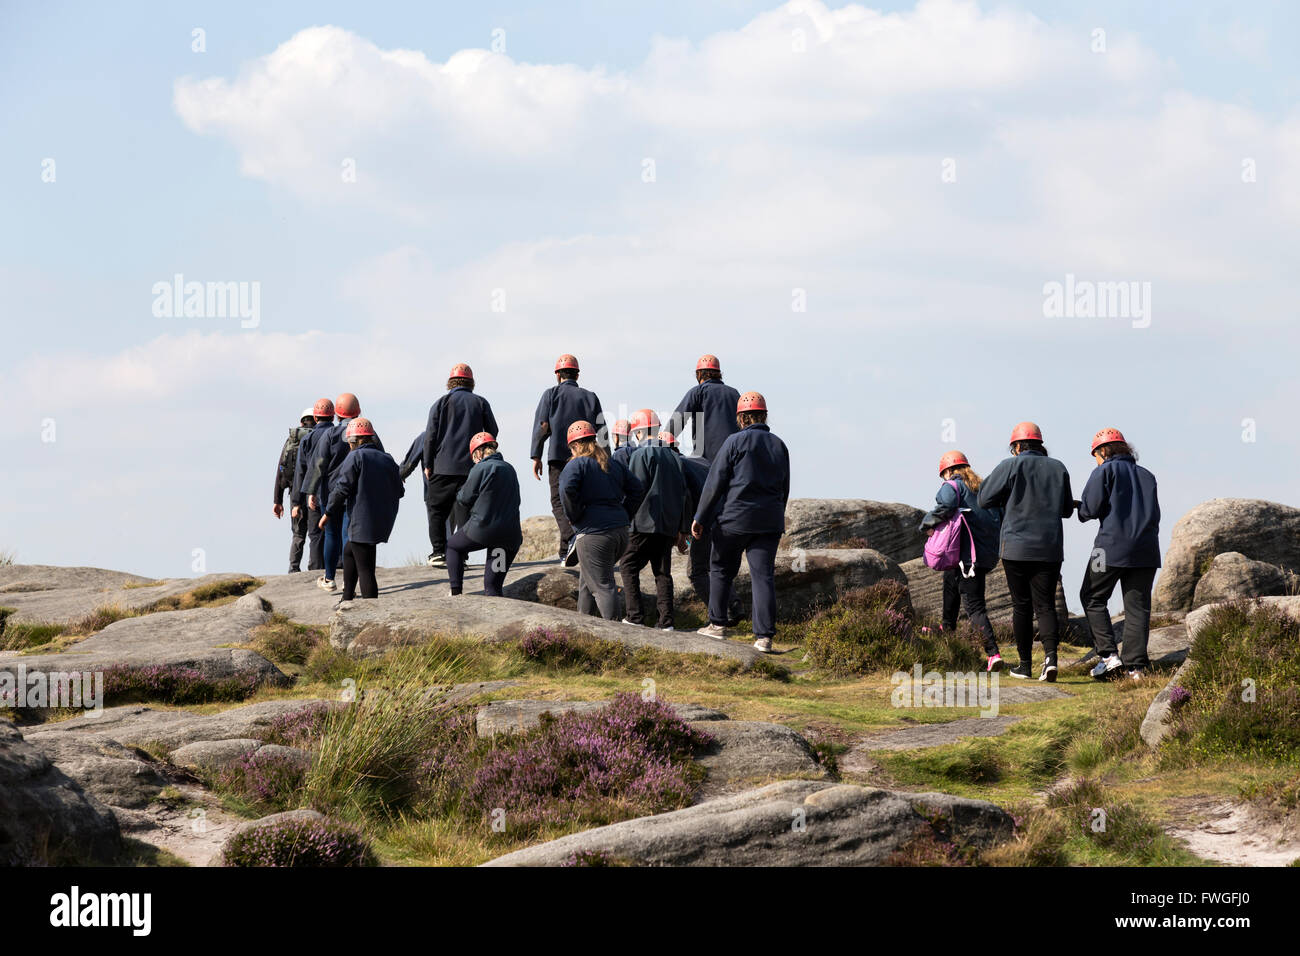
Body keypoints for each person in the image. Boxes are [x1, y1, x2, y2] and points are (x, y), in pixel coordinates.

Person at [691, 391, 790, 653]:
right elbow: (784, 487)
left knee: (721, 569)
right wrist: (776, 514)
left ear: (741, 418)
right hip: (769, 522)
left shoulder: (734, 442)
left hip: (735, 520)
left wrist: (700, 517)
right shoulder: (779, 445)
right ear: (764, 415)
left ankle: (717, 624)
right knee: (763, 576)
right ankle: (764, 638)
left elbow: (715, 482)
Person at [977, 422, 1074, 682]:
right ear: (1040, 445)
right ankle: (1051, 660)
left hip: (1016, 548)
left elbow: (984, 499)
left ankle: (1024, 665)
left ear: (1017, 446)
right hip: (1049, 548)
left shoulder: (1010, 466)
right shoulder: (1058, 467)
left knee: (1021, 606)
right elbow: (1066, 510)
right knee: (1045, 606)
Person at [1077, 428, 1161, 681]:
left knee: (1092, 596)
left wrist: (1079, 510)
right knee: (1137, 608)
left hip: (1108, 549)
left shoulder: (1104, 470)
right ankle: (1136, 669)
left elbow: (1089, 509)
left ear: (1103, 451)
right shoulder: (1148, 476)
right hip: (1146, 550)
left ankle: (1109, 657)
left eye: (1096, 455)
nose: (1096, 460)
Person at [920, 451, 1004, 672]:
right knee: (950, 581)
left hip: (968, 559)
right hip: (985, 555)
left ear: (948, 471)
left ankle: (992, 653)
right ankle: (947, 628)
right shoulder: (984, 488)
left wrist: (926, 523)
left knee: (975, 607)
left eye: (944, 475)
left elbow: (945, 506)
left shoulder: (952, 487)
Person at [559, 420, 645, 619]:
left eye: (571, 448)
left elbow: (565, 489)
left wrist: (575, 516)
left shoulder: (576, 464)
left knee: (602, 586)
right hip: (621, 533)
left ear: (576, 445)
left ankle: (615, 638)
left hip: (594, 534)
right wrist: (624, 514)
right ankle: (585, 625)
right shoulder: (612, 463)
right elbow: (637, 489)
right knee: (588, 581)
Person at [422, 363, 499, 569]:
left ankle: (439, 553)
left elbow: (429, 437)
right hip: (472, 467)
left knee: (437, 510)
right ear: (471, 382)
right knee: (467, 511)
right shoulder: (480, 402)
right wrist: (482, 454)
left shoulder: (440, 403)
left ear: (450, 382)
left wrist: (428, 463)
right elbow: (493, 431)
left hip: (442, 467)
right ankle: (461, 553)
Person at [319, 417, 403, 605]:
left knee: (366, 569)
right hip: (382, 519)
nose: (349, 446)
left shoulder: (355, 456)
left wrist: (328, 513)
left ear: (355, 441)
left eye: (349, 443)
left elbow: (342, 488)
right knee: (349, 551)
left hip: (362, 519)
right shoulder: (387, 458)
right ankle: (347, 597)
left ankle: (370, 612)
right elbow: (400, 490)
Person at [530, 354, 604, 561]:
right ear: (577, 374)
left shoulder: (551, 394)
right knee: (581, 498)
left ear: (557, 374)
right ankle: (566, 551)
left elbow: (542, 426)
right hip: (588, 457)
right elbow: (602, 430)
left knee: (558, 500)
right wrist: (606, 459)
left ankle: (572, 537)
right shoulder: (590, 396)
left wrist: (536, 455)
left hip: (558, 455)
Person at [308, 393, 383, 592]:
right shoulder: (368, 433)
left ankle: (330, 578)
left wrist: (311, 491)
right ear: (358, 411)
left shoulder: (329, 435)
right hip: (357, 494)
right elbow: (380, 458)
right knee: (348, 535)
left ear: (337, 415)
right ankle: (348, 581)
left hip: (331, 492)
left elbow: (319, 464)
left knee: (331, 534)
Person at [620, 420, 690, 630]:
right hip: (667, 525)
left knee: (628, 565)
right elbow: (684, 494)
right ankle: (666, 622)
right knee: (662, 573)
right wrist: (682, 528)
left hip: (642, 522)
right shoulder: (674, 457)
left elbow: (635, 489)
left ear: (640, 433)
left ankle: (634, 617)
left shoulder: (640, 454)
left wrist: (624, 517)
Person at [446, 432, 523, 597]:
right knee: (492, 588)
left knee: (453, 546)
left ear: (478, 453)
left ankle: (456, 592)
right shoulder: (510, 468)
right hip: (509, 536)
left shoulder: (480, 467)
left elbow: (464, 499)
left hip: (483, 530)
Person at [663, 354, 740, 460]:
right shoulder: (734, 393)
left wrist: (663, 441)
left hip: (706, 460)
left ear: (698, 374)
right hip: (734, 458)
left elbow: (678, 419)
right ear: (719, 374)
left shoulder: (698, 392)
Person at [290, 398, 335, 573]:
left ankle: (316, 570)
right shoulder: (340, 435)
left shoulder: (307, 439)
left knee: (316, 535)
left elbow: (300, 473)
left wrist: (296, 502)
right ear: (333, 416)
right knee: (336, 531)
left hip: (313, 494)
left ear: (316, 418)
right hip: (337, 492)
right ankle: (338, 568)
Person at [273, 408, 316, 573]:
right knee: (315, 533)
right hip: (315, 493)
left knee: (298, 534)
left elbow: (281, 470)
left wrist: (277, 501)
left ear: (301, 422)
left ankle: (293, 568)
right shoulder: (320, 437)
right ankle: (315, 569)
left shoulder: (292, 440)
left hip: (294, 493)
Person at [398, 429, 437, 560]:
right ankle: (460, 557)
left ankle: (443, 554)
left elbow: (410, 461)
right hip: (462, 487)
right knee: (460, 522)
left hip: (435, 487)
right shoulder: (465, 433)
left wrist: (400, 475)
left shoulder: (427, 435)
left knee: (441, 523)